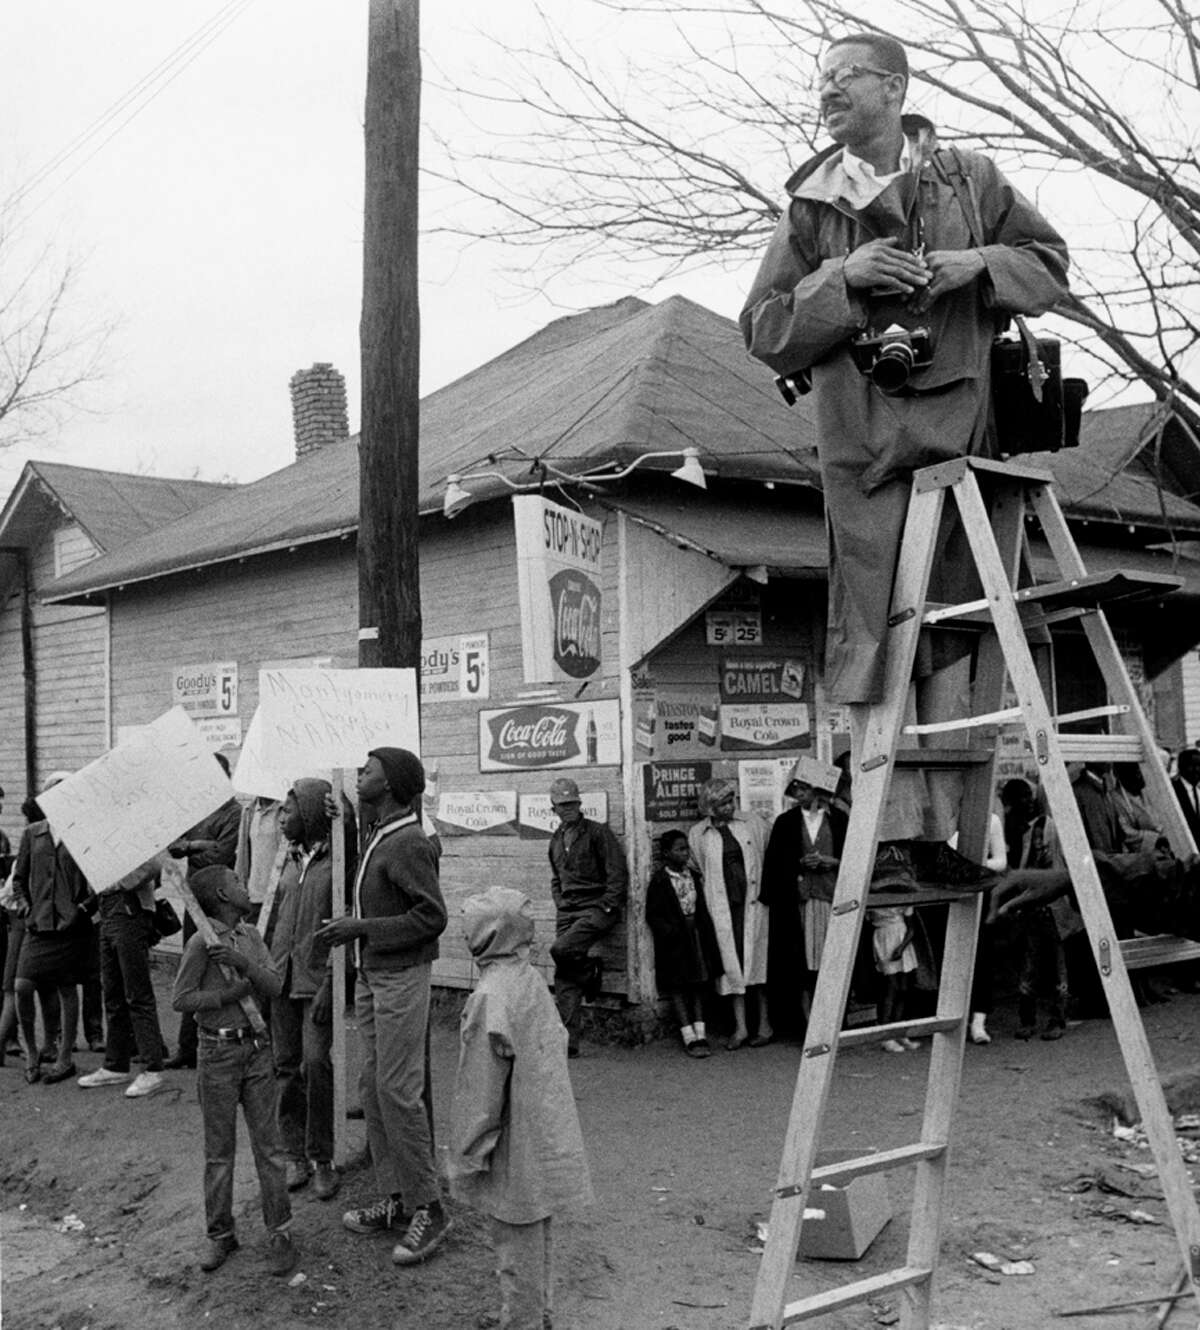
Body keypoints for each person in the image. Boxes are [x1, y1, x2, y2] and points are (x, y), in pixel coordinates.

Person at [740, 32, 1070, 856]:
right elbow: (765, 329)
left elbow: (1050, 266)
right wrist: (843, 280)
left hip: (960, 442)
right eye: (819, 80)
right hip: (862, 452)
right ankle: (891, 846)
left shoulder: (969, 178)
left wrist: (976, 265)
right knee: (874, 638)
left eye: (843, 77)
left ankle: (950, 845)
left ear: (893, 87)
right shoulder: (812, 207)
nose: (824, 93)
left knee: (955, 631)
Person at [313, 747, 451, 1266]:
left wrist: (360, 929)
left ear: (390, 783)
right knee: (373, 1087)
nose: (359, 774)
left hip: (401, 975)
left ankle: (430, 1208)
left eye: (367, 770)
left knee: (397, 1089)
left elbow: (432, 917)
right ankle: (397, 1197)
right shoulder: (379, 832)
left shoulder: (409, 841)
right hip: (374, 974)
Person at [447, 887, 593, 1330]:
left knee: (514, 1236)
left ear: (488, 935)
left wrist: (469, 1150)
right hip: (543, 1121)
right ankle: (535, 1312)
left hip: (514, 1133)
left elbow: (480, 1088)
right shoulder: (528, 979)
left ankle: (523, 1320)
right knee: (537, 1225)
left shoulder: (491, 995)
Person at [171, 864, 297, 1277]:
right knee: (219, 1153)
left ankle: (280, 1232)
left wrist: (243, 965)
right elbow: (181, 1000)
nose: (245, 886)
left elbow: (274, 986)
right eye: (237, 883)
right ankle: (221, 1234)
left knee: (270, 1147)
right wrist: (226, 995)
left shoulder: (251, 938)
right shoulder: (200, 944)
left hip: (257, 1049)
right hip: (217, 1053)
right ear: (223, 897)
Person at [270, 778, 342, 1201]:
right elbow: (275, 917)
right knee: (285, 1068)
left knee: (315, 1065)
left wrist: (331, 984)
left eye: (289, 810)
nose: (281, 818)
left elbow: (341, 926)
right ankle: (293, 1153)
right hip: (281, 979)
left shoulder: (337, 862)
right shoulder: (288, 860)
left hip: (315, 980)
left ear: (311, 812)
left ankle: (322, 1158)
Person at [11, 775, 93, 1085]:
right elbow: (19, 879)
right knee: (22, 986)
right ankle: (32, 1053)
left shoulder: (82, 834)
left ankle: (64, 1057)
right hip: (38, 925)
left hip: (70, 927)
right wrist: (25, 906)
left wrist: (82, 910)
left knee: (67, 989)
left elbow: (96, 883)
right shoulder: (33, 833)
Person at [165, 752, 242, 1070]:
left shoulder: (234, 812)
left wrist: (192, 847)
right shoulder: (195, 810)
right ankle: (187, 1047)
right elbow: (173, 846)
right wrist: (197, 845)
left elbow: (221, 855)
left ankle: (222, 1041)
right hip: (193, 897)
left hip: (220, 902)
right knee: (191, 966)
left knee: (221, 969)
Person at [760, 765, 847, 1030]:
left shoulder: (838, 819)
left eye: (804, 788)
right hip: (800, 901)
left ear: (819, 790)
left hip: (831, 898)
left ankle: (833, 1020)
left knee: (831, 961)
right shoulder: (786, 822)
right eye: (796, 787)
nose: (798, 793)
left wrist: (832, 861)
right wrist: (798, 863)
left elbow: (854, 857)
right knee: (802, 963)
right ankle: (808, 1021)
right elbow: (775, 863)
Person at [687, 778, 771, 1049]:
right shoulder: (699, 833)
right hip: (724, 907)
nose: (728, 807)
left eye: (730, 801)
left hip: (753, 903)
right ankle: (740, 1027)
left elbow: (768, 852)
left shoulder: (752, 823)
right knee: (732, 966)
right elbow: (698, 867)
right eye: (722, 804)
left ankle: (765, 1025)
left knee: (757, 964)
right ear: (709, 807)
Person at [547, 777, 627, 1058]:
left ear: (580, 804)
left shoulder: (597, 833)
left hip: (596, 910)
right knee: (564, 976)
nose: (568, 809)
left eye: (572, 803)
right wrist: (560, 901)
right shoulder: (556, 839)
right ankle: (569, 1042)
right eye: (563, 805)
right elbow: (556, 878)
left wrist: (608, 905)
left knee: (560, 950)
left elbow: (617, 872)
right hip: (568, 911)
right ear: (554, 808)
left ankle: (590, 970)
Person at [76, 855, 168, 1097]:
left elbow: (153, 865)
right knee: (113, 992)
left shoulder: (132, 837)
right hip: (108, 911)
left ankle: (152, 1068)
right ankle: (115, 1064)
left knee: (137, 994)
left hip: (129, 909)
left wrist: (117, 882)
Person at [998, 778, 1073, 1040]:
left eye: (1028, 796)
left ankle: (1054, 1020)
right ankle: (1032, 1019)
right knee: (1032, 966)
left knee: (1051, 965)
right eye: (1021, 797)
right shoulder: (1015, 831)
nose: (1027, 801)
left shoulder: (1042, 828)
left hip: (1047, 906)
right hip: (1031, 908)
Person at [644, 829, 719, 1057]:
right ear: (667, 853)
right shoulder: (660, 881)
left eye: (687, 848)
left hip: (695, 935)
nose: (685, 853)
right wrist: (670, 931)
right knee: (677, 985)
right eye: (680, 849)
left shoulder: (693, 876)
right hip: (675, 940)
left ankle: (701, 1032)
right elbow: (653, 914)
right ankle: (688, 1035)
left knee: (698, 983)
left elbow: (701, 906)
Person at [867, 903, 919, 1053]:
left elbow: (911, 928)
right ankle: (885, 1035)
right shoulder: (874, 902)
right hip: (883, 939)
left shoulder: (904, 900)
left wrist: (901, 947)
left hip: (901, 939)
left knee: (903, 989)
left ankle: (898, 1031)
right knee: (890, 988)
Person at [1171, 748, 1200, 843]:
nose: (1197, 769)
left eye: (1199, 765)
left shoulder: (1198, 789)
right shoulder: (1173, 790)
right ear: (1181, 767)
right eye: (1192, 765)